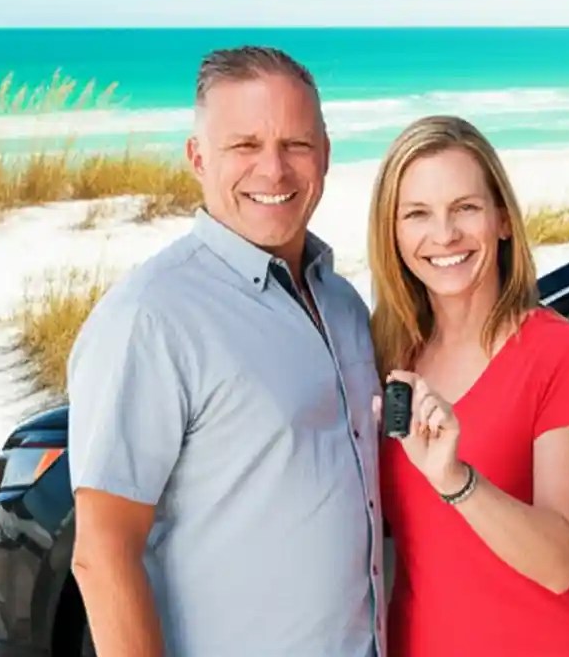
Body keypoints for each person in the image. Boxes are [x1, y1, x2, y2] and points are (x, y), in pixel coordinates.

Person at [65, 46, 386, 657]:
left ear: (324, 154)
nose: (274, 170)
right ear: (197, 157)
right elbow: (101, 554)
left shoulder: (344, 305)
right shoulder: (151, 316)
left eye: (296, 144)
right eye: (245, 145)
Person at [367, 115, 569, 656]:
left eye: (465, 207)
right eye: (417, 213)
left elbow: (559, 561)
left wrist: (455, 479)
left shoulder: (565, 356)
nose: (444, 234)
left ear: (502, 219)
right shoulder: (389, 357)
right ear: (393, 233)